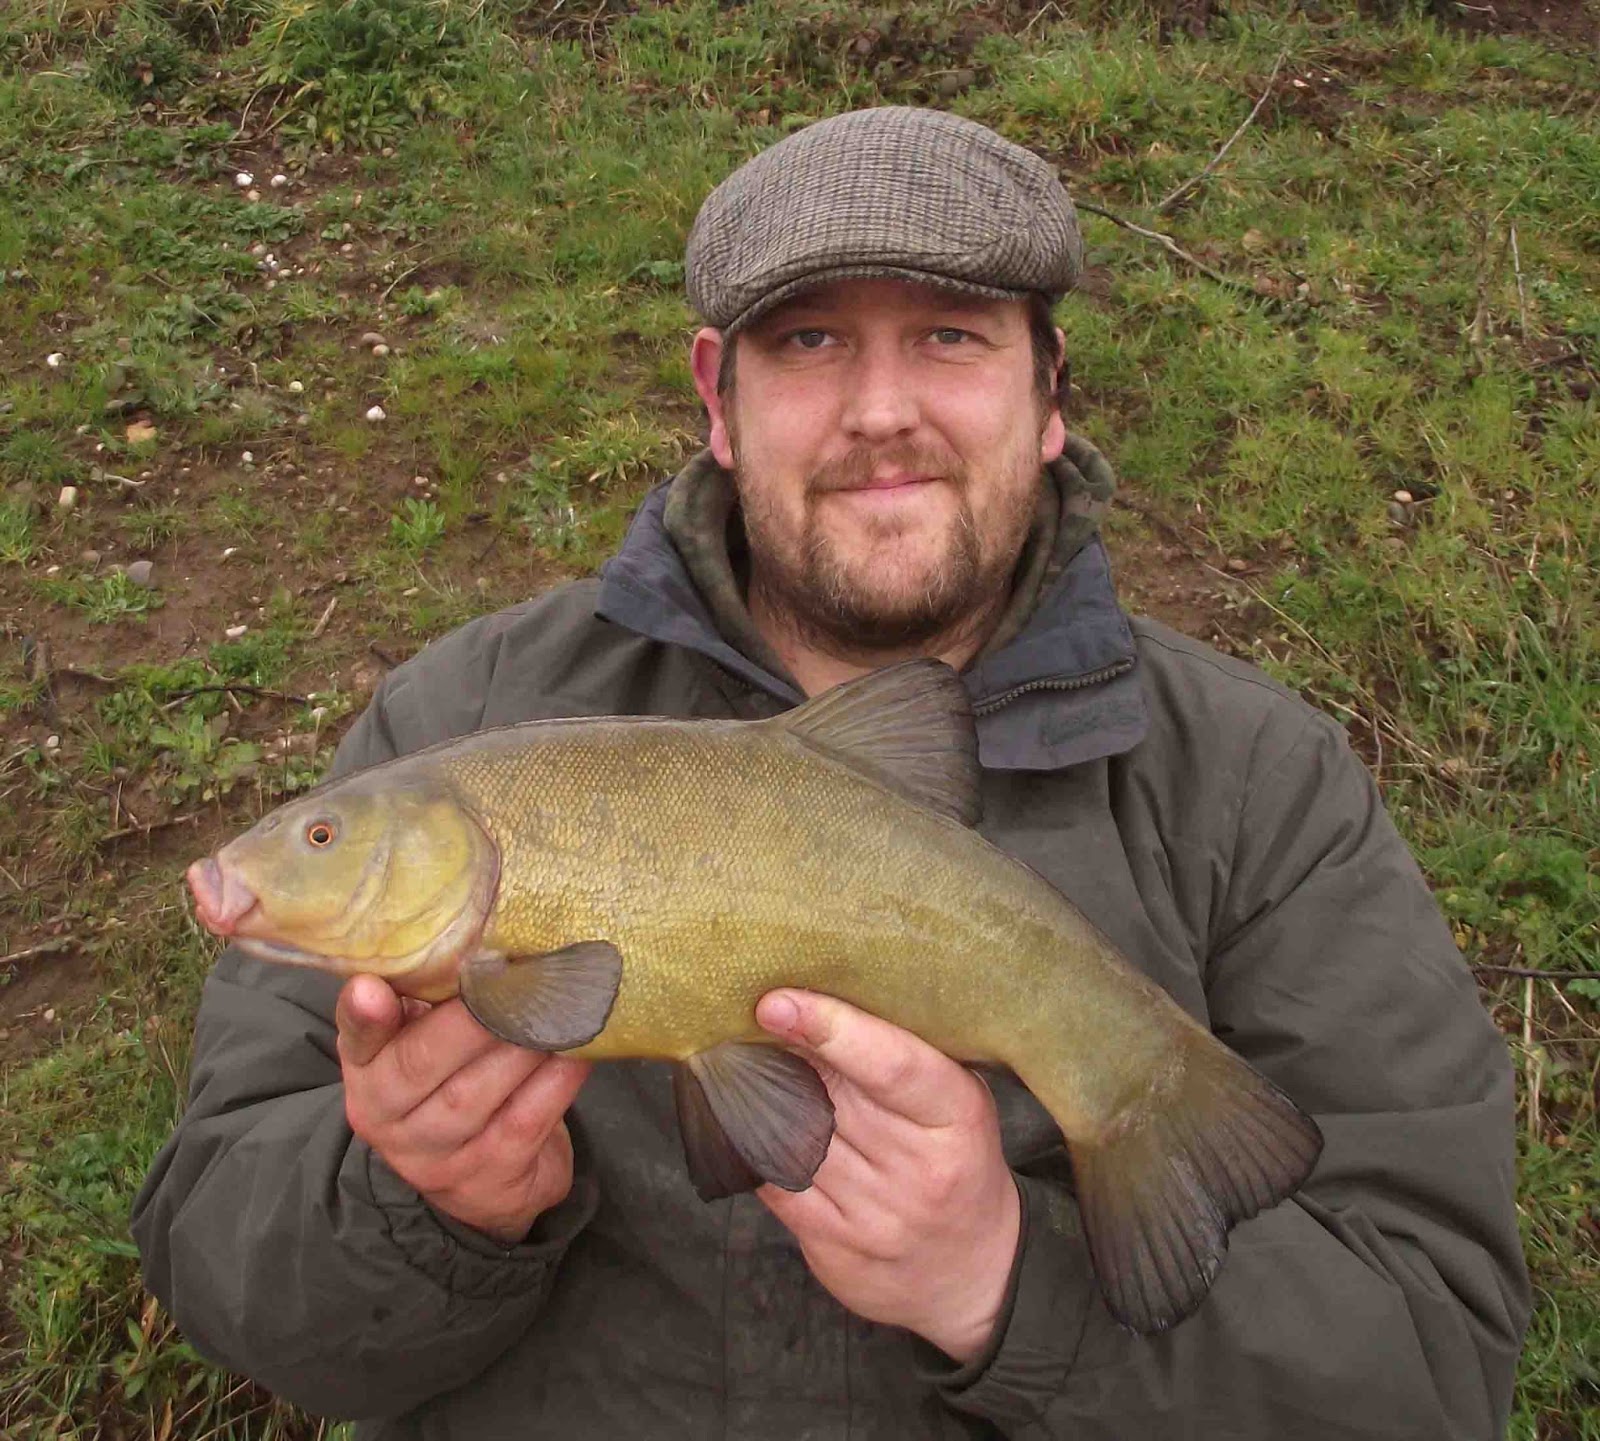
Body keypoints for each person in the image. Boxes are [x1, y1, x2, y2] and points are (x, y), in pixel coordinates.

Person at [133, 107, 1529, 1438]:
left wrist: (1004, 1282)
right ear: (719, 398)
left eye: (949, 336)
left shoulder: (1258, 785)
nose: (880, 410)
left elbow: (1427, 1376)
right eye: (808, 341)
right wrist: (430, 1208)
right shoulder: (458, 721)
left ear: (1049, 391)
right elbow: (225, 1267)